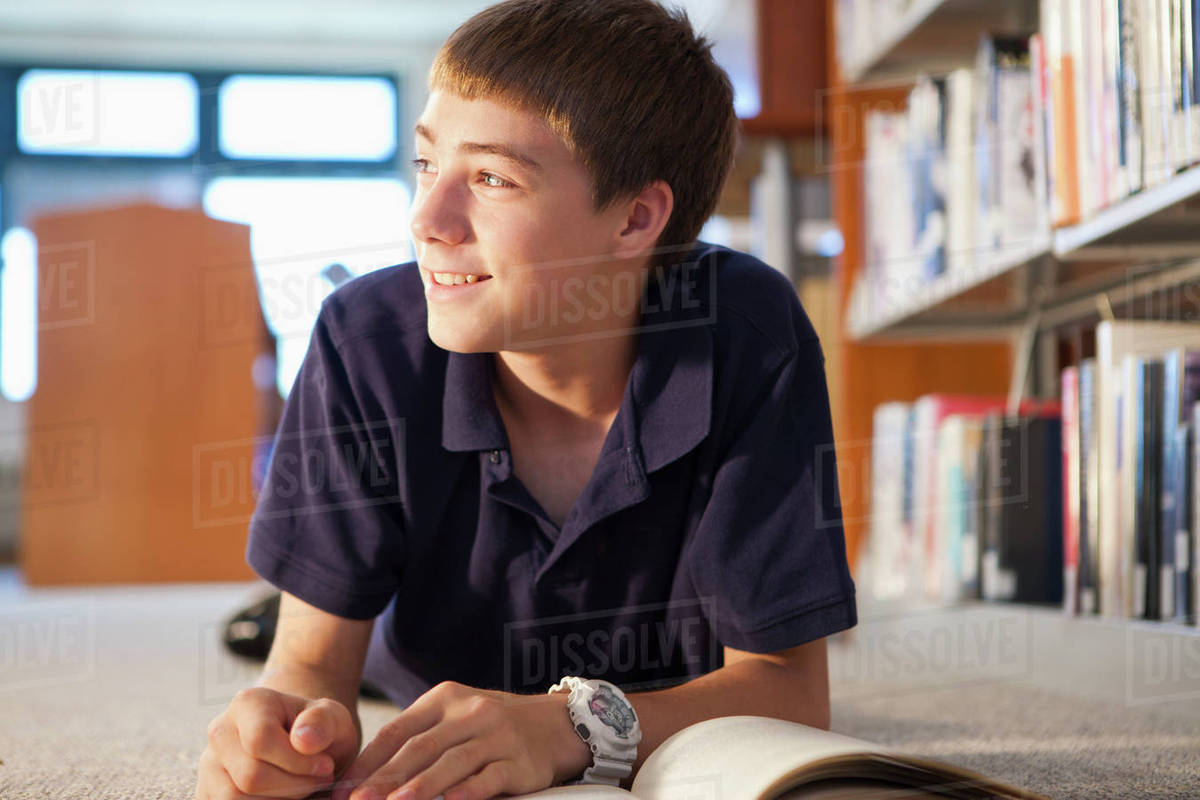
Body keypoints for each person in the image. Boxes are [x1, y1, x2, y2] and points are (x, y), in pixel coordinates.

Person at [195, 1, 857, 799]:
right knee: (327, 638)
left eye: (492, 179)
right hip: (424, 658)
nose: (426, 219)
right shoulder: (363, 338)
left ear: (637, 217)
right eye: (425, 167)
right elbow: (310, 667)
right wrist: (288, 731)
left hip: (646, 680)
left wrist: (573, 727)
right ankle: (294, 588)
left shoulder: (747, 333)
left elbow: (790, 689)